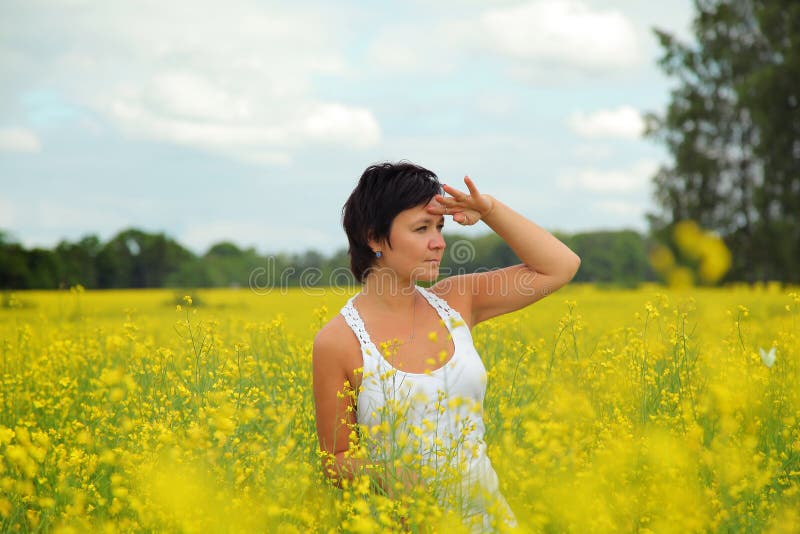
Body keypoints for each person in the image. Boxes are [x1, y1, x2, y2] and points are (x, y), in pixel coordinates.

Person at [313, 161, 581, 531]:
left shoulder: (456, 300)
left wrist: (490, 210)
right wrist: (386, 474)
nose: (439, 242)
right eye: (421, 228)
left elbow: (560, 266)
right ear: (374, 238)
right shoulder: (338, 341)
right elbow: (336, 458)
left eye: (440, 227)